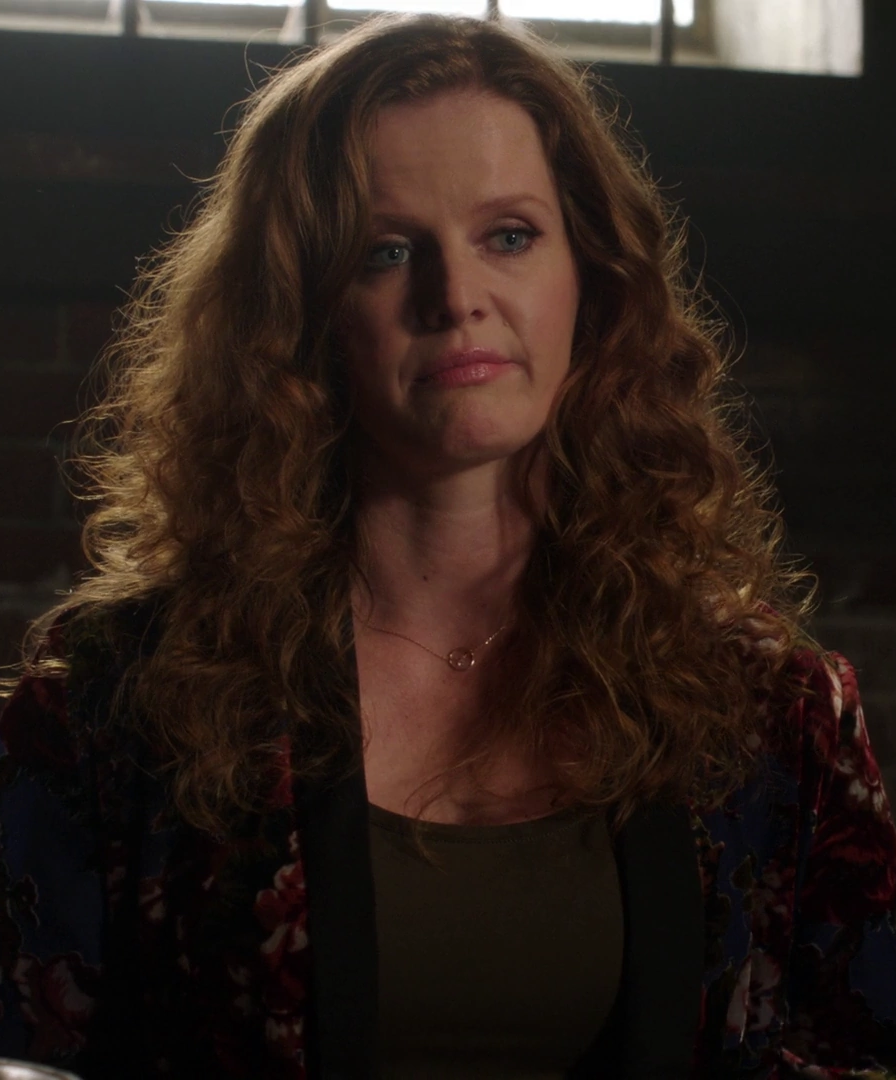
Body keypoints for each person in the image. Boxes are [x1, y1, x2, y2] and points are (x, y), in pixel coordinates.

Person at [0, 10, 894, 1079]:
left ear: (590, 276)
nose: (456, 299)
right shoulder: (120, 701)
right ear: (297, 312)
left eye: (508, 236)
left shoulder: (770, 712)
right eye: (384, 252)